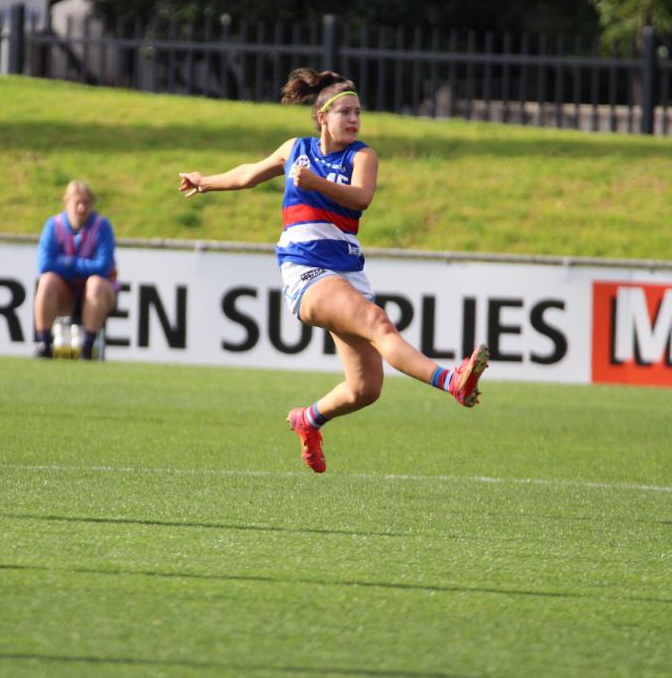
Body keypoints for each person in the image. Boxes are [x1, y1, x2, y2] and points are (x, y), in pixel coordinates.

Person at [178, 67, 490, 473]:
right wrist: (205, 181)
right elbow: (248, 174)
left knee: (365, 389)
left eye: (358, 112)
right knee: (378, 324)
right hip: (305, 271)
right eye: (344, 111)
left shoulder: (362, 156)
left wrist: (314, 183)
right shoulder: (296, 149)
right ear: (321, 116)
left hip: (347, 275)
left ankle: (307, 419)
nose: (354, 119)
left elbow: (360, 198)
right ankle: (453, 381)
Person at [33, 180, 117, 360]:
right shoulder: (54, 226)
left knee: (95, 284)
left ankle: (87, 348)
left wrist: (68, 264)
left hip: (96, 295)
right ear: (66, 203)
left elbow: (103, 266)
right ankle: (44, 344)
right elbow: (45, 264)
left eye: (86, 203)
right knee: (47, 281)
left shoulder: (102, 227)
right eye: (77, 202)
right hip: (66, 293)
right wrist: (82, 267)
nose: (81, 208)